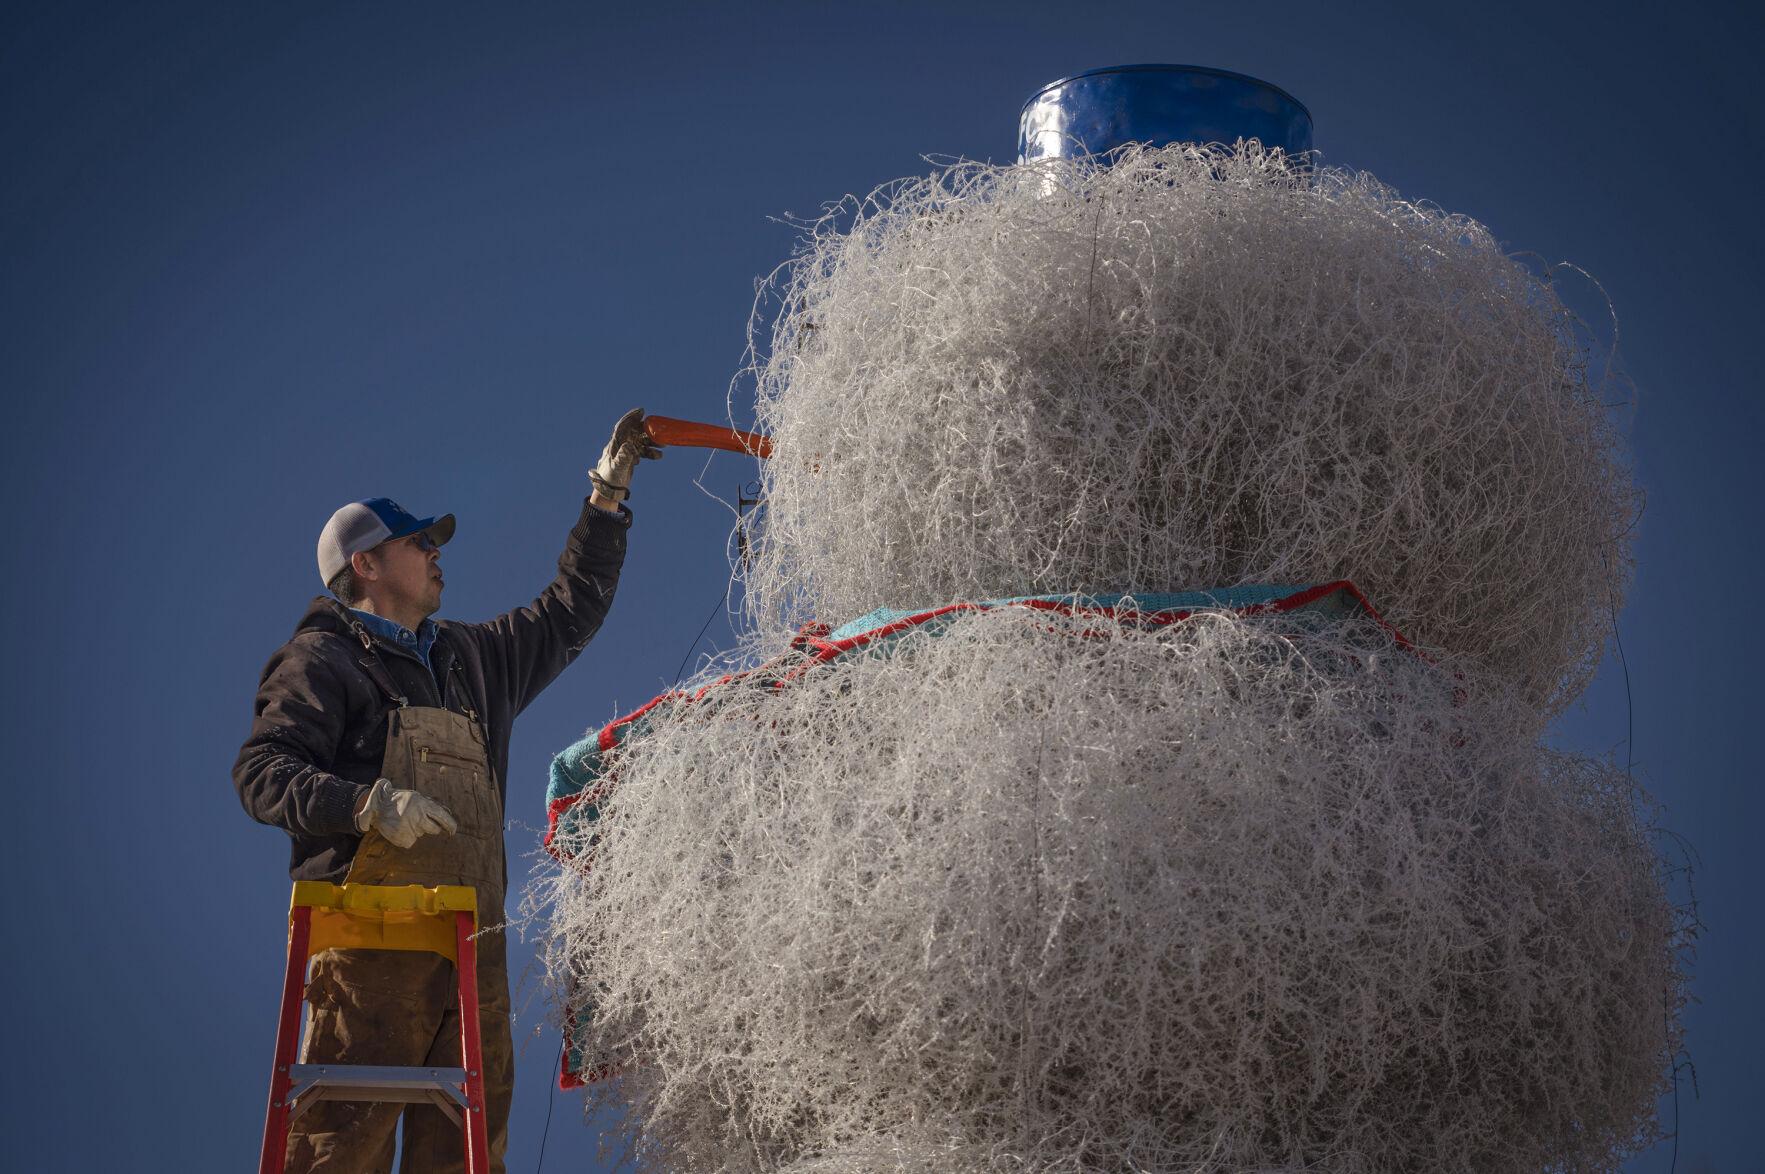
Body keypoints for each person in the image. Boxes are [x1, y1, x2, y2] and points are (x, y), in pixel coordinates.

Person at [235, 409, 660, 1173]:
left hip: (471, 953)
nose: (435, 553)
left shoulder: (467, 658)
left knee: (467, 1158)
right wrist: (365, 806)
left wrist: (605, 497)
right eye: (417, 541)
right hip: (374, 950)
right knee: (338, 1149)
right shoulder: (322, 661)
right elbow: (264, 771)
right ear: (365, 565)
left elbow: (569, 610)